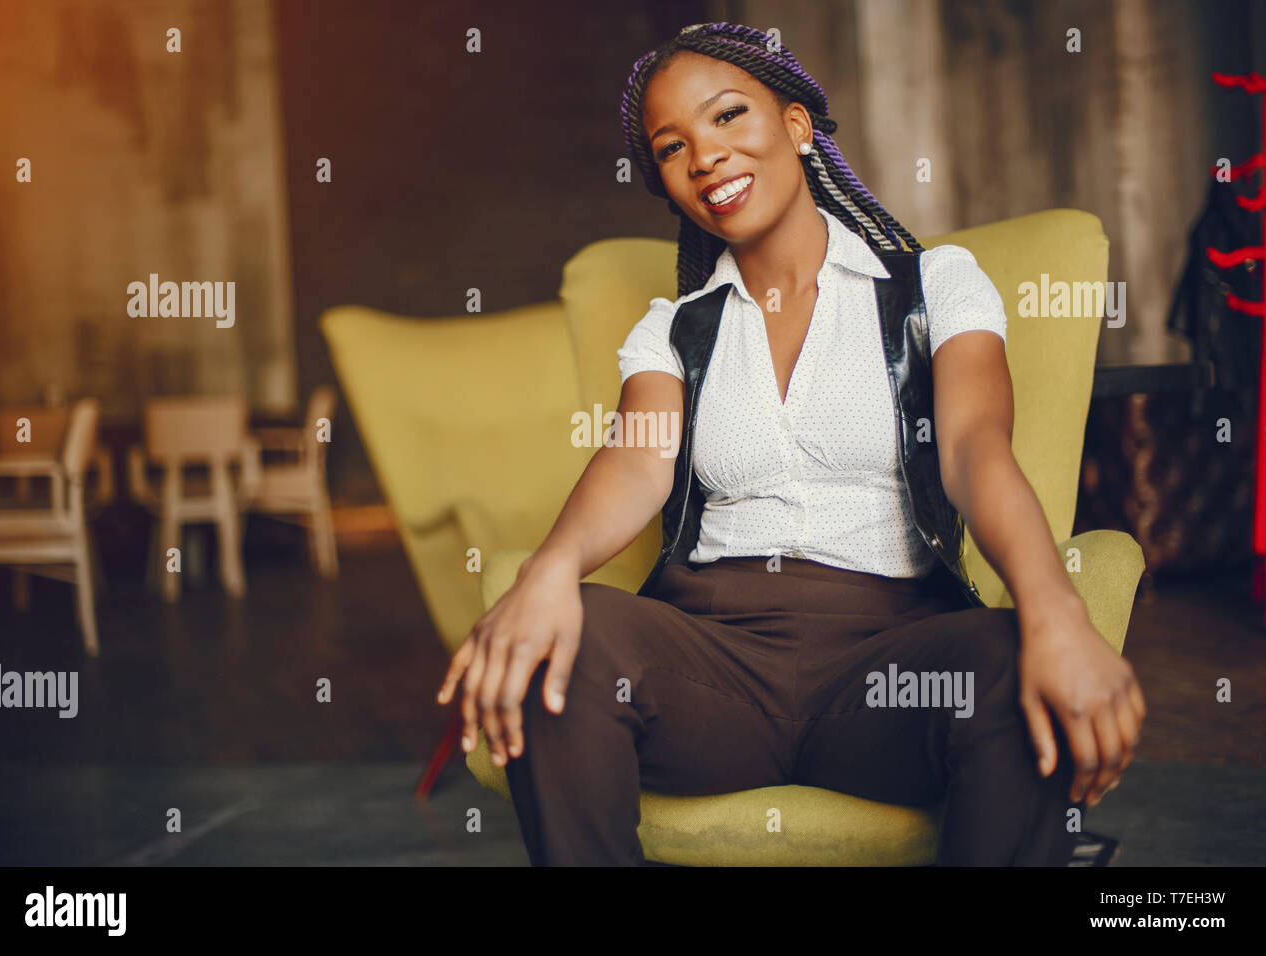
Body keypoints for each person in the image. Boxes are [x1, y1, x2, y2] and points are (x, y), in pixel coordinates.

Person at [437, 21, 1146, 866]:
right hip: (710, 668)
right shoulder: (673, 330)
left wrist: (1054, 611)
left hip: (893, 667)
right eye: (672, 147)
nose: (705, 155)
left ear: (798, 125)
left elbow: (973, 450)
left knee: (1012, 664)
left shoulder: (935, 287)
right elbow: (635, 459)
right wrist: (549, 572)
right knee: (567, 645)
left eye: (728, 115)